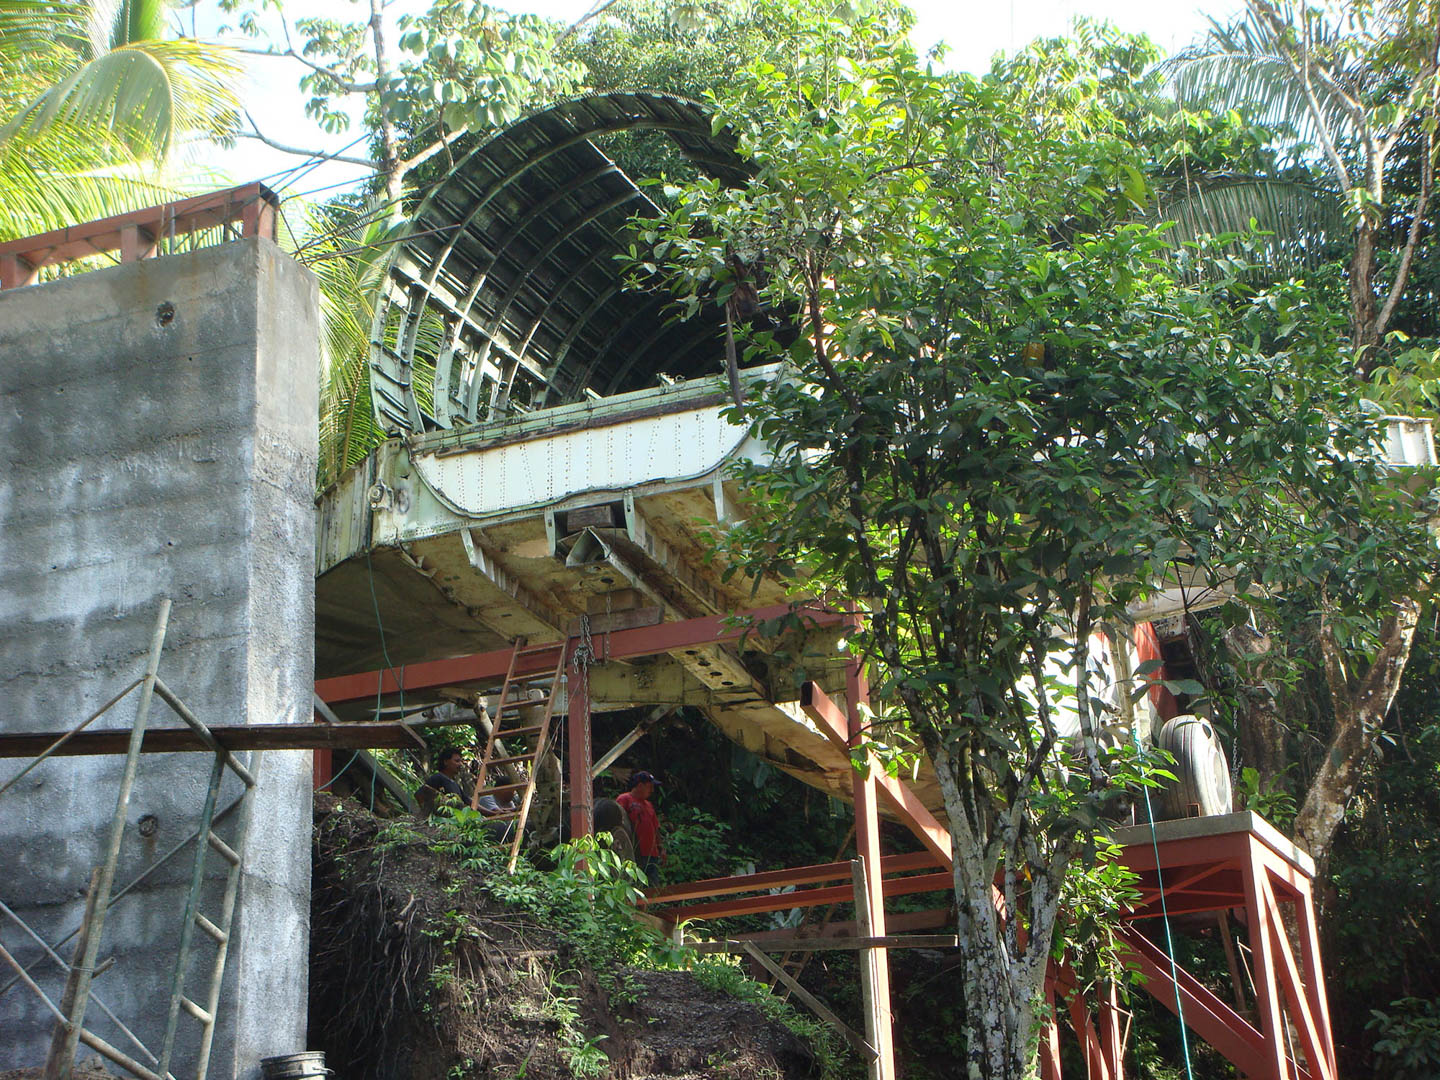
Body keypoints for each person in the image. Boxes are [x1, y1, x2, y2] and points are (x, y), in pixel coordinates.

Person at [616, 771, 664, 886]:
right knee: (635, 884)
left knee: (652, 885)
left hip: (651, 853)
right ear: (640, 785)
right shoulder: (625, 799)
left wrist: (661, 847)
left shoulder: (648, 805)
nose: (652, 790)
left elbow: (655, 827)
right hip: (634, 852)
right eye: (649, 786)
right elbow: (617, 821)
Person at [423, 747, 471, 814]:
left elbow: (469, 802)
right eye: (457, 761)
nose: (460, 764)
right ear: (446, 762)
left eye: (461, 761)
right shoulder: (438, 778)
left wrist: (489, 812)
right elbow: (421, 794)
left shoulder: (455, 784)